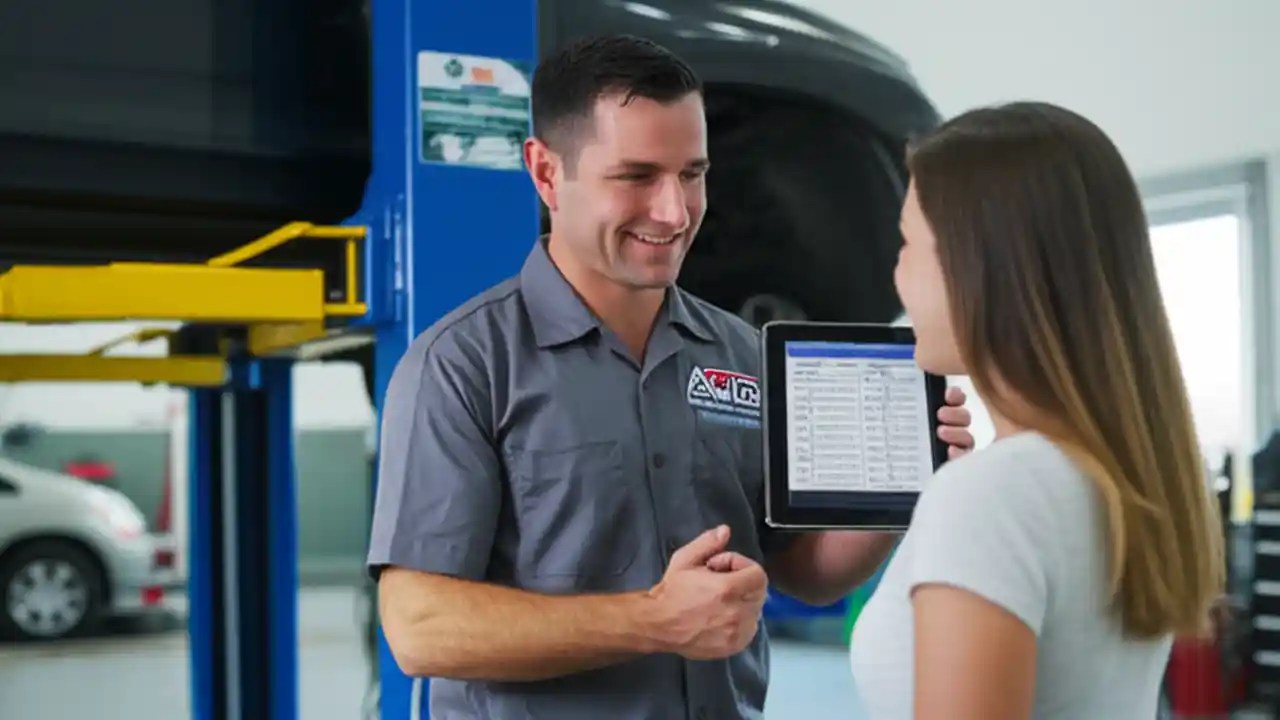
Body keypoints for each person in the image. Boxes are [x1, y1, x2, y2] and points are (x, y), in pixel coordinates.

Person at [366, 34, 974, 719]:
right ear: (544, 173)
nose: (675, 211)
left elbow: (805, 571)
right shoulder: (463, 365)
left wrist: (901, 480)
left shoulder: (742, 353)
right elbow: (419, 627)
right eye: (636, 177)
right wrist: (654, 618)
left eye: (692, 173)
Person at [849, 101, 1227, 719]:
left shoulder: (990, 493)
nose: (896, 274)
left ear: (976, 269)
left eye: (907, 244)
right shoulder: (1113, 476)